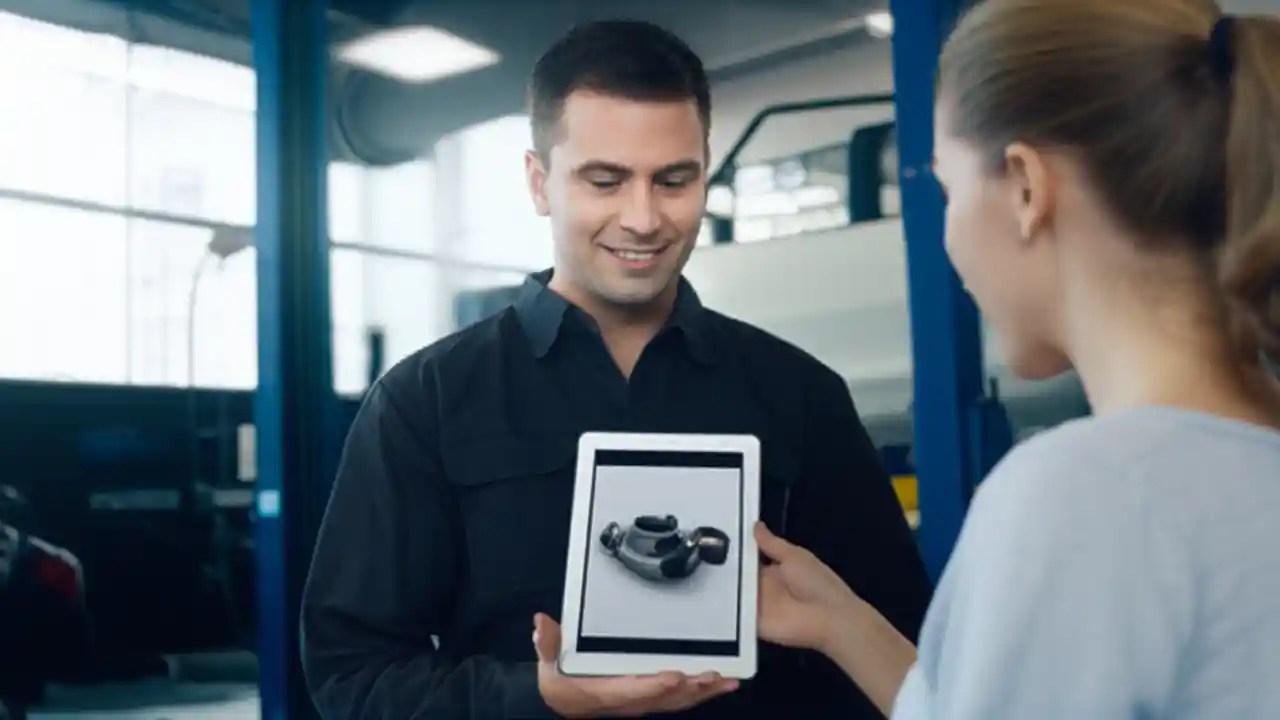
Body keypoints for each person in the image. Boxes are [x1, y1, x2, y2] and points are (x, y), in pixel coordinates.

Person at [300, 18, 933, 720]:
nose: (643, 218)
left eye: (673, 180)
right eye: (605, 180)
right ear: (540, 183)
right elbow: (353, 675)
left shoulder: (799, 395)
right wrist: (532, 696)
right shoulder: (426, 402)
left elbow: (896, 641)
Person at [754, 0, 1280, 718]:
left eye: (947, 190)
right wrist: (842, 624)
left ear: (1027, 188)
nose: (947, 236)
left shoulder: (1083, 495)